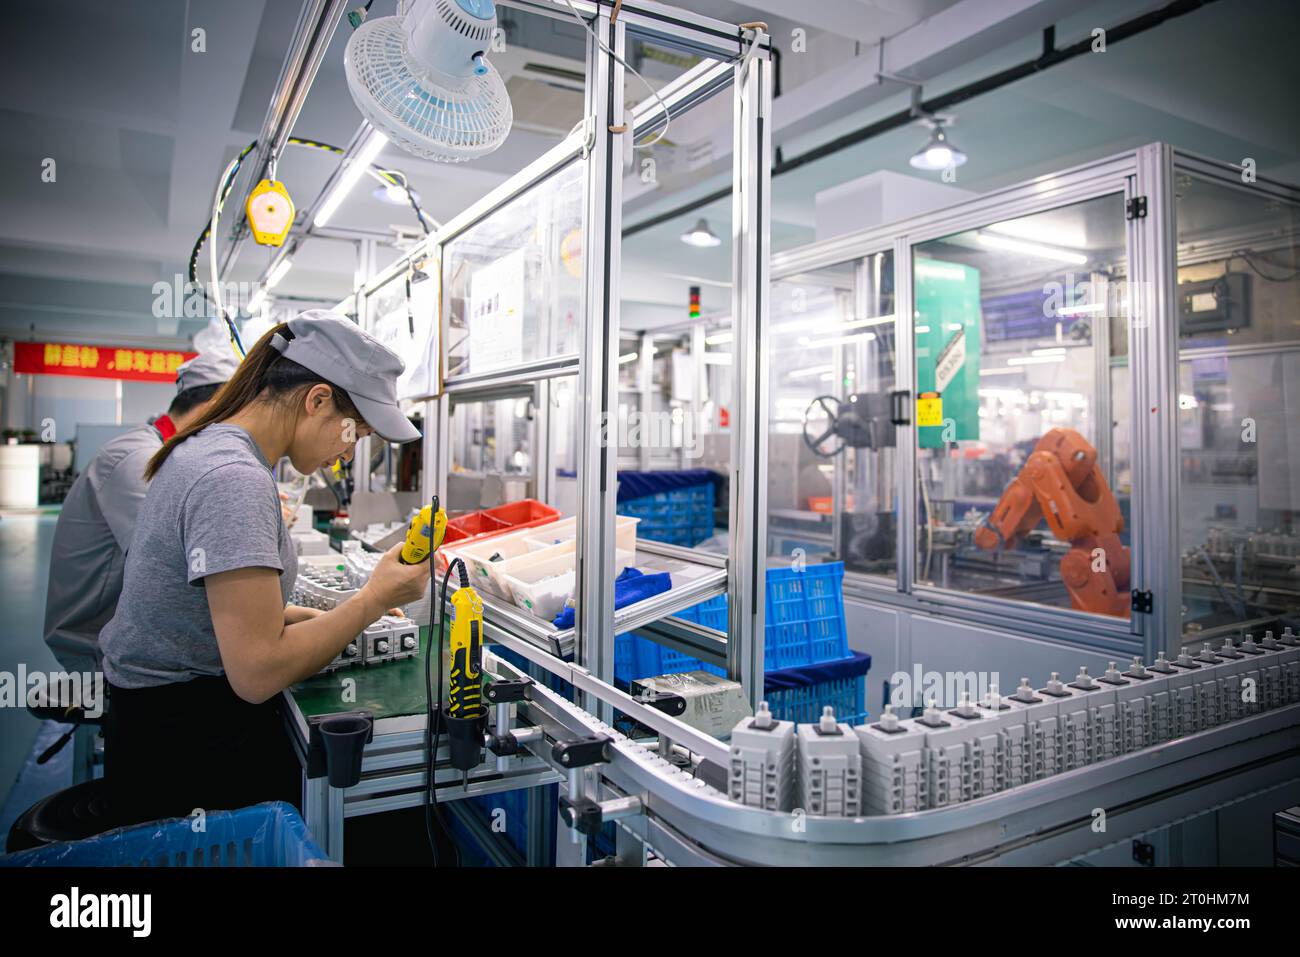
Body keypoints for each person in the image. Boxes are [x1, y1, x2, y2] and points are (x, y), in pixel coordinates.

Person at [98, 311, 429, 826]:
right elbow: (256, 672)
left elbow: (212, 609)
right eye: (354, 433)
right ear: (316, 399)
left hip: (158, 724)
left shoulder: (210, 449)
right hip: (187, 747)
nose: (346, 453)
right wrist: (374, 600)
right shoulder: (233, 478)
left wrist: (305, 615)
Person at [43, 350, 237, 674]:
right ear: (212, 408)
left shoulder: (161, 449)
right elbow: (176, 565)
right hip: (97, 647)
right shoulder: (137, 459)